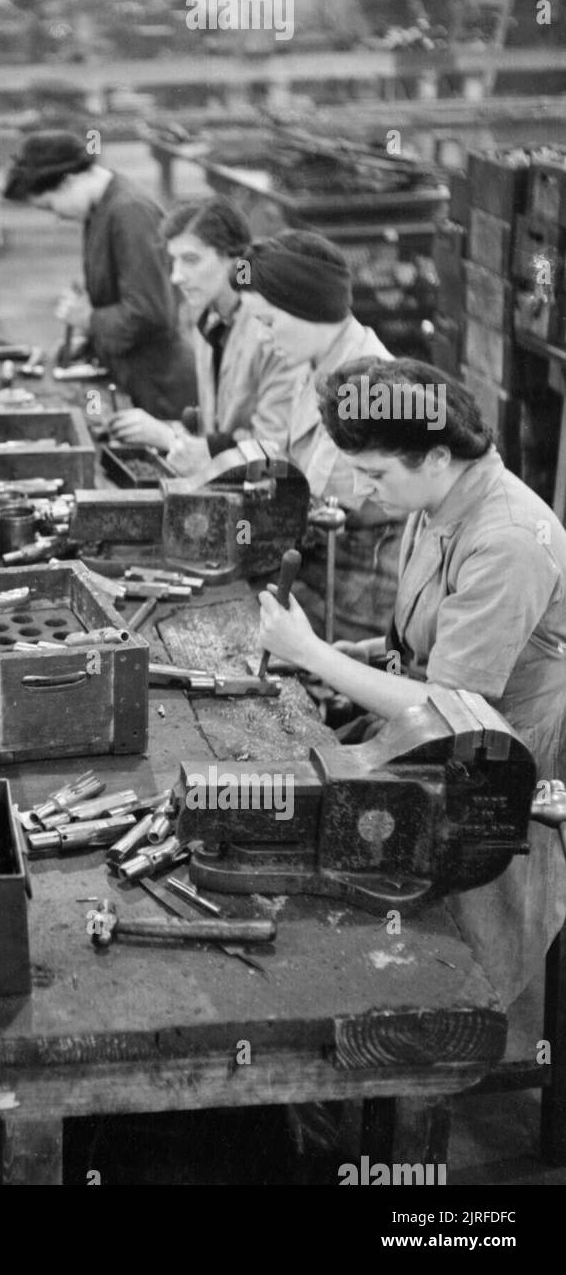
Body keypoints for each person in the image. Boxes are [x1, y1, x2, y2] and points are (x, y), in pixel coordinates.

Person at [256, 356, 566, 1016]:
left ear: (433, 457)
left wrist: (310, 652)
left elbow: (453, 713)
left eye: (375, 474)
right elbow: (426, 639)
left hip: (496, 776)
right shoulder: (441, 501)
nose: (367, 492)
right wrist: (356, 653)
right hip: (433, 739)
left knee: (439, 992)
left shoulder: (506, 538)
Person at [237, 231, 402, 640]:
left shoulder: (365, 390)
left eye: (268, 321)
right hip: (324, 581)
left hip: (356, 611)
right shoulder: (321, 365)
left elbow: (316, 509)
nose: (261, 337)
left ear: (308, 307)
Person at [3, 130, 197, 418]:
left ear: (68, 181)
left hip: (159, 388)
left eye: (49, 205)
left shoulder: (129, 212)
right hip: (133, 373)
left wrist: (88, 319)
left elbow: (150, 313)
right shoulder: (100, 210)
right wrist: (89, 337)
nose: (57, 217)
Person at [108, 196, 303, 474]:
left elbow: (273, 452)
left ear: (237, 261)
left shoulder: (272, 335)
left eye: (191, 260)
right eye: (174, 262)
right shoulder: (208, 318)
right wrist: (175, 430)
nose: (176, 277)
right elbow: (220, 424)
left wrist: (171, 440)